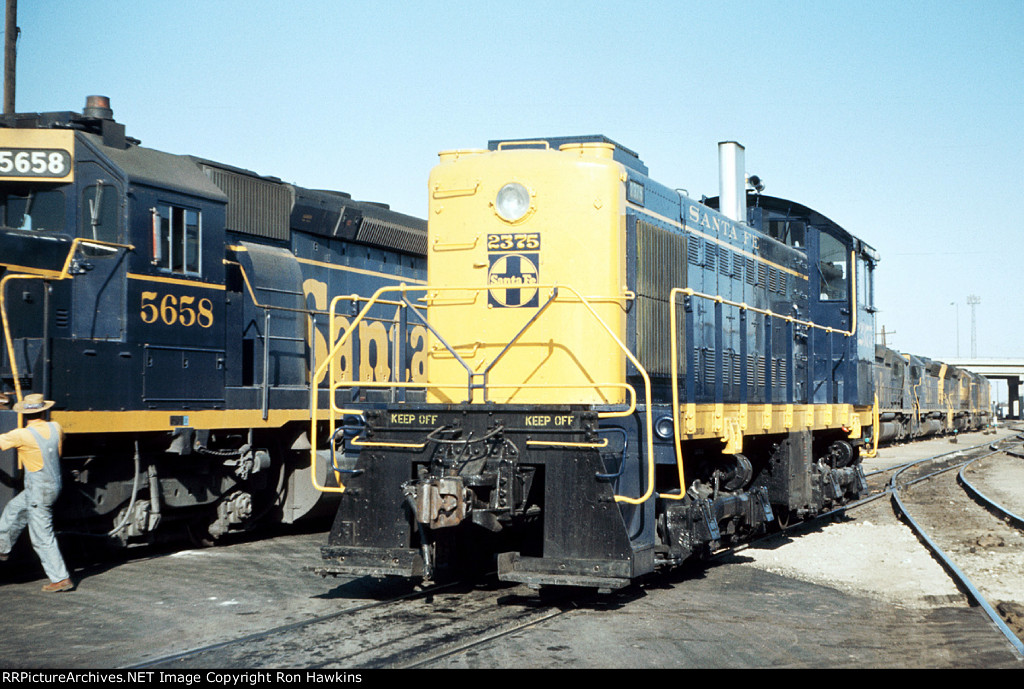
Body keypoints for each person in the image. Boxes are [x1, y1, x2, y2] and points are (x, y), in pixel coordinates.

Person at [0, 393, 73, 592]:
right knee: (14, 508)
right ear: (44, 410)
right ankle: (2, 548)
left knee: (42, 535)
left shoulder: (22, 434)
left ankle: (61, 578)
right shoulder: (55, 427)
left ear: (24, 414)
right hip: (53, 484)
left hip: (39, 489)